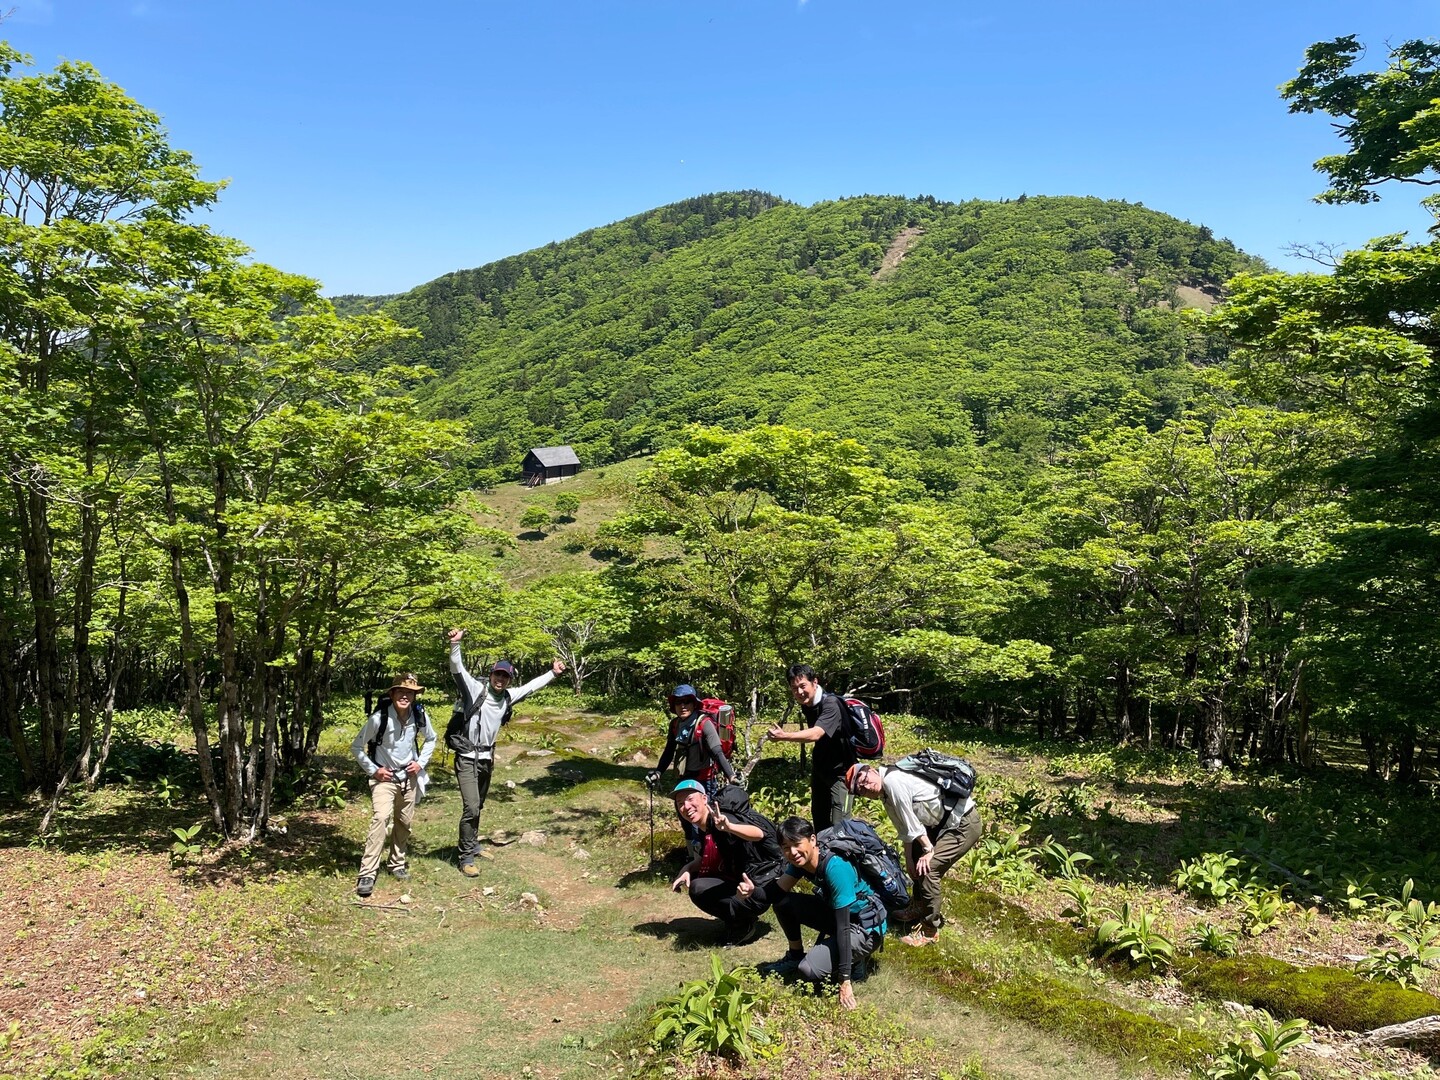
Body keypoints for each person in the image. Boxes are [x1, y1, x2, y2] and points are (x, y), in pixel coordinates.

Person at [447, 628, 566, 878]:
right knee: (471, 807)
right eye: (497, 674)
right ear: (491, 674)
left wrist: (553, 673)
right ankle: (465, 857)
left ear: (509, 680)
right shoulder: (475, 690)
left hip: (486, 759)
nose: (500, 679)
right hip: (467, 758)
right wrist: (455, 644)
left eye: (505, 676)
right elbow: (458, 669)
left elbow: (531, 687)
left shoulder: (508, 697)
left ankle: (473, 844)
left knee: (479, 805)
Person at [845, 761, 981, 946]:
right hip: (942, 824)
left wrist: (929, 850)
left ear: (872, 770)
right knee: (917, 858)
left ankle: (929, 929)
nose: (867, 787)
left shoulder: (893, 781)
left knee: (929, 869)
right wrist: (909, 858)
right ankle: (918, 906)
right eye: (861, 790)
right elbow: (905, 828)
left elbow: (912, 825)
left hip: (963, 824)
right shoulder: (885, 793)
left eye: (865, 780)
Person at [767, 816, 885, 1010]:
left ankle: (856, 962)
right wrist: (751, 892)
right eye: (786, 847)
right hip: (841, 916)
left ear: (812, 840)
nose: (792, 852)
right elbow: (776, 893)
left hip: (865, 928)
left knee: (807, 970)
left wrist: (844, 980)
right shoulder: (801, 862)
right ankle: (795, 955)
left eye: (796, 844)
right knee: (783, 903)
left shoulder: (836, 867)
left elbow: (843, 927)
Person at [668, 779, 785, 947]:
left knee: (698, 889)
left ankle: (742, 925)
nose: (686, 806)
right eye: (680, 803)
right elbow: (709, 855)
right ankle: (740, 919)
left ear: (704, 799)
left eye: (690, 799)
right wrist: (688, 868)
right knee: (699, 886)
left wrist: (730, 827)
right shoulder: (705, 826)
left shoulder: (721, 819)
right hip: (746, 880)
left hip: (760, 886)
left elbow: (759, 834)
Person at [351, 673, 438, 898]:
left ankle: (397, 863)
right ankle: (367, 873)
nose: (405, 696)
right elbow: (357, 747)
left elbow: (431, 738)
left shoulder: (419, 715)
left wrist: (420, 763)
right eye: (401, 691)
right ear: (392, 694)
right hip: (384, 778)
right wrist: (374, 770)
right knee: (381, 818)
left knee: (404, 821)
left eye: (410, 692)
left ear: (415, 696)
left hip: (409, 777)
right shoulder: (378, 719)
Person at [765, 664, 855, 829]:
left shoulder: (831, 704)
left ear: (815, 682)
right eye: (794, 688)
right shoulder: (808, 704)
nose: (799, 692)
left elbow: (816, 734)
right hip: (821, 769)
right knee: (819, 821)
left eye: (802, 686)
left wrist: (785, 736)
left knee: (841, 826)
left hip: (842, 774)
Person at [647, 684, 737, 849]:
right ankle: (692, 854)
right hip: (684, 779)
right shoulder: (675, 725)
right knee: (685, 817)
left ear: (694, 704)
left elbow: (717, 752)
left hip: (705, 779)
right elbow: (668, 751)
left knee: (705, 820)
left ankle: (709, 855)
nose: (682, 706)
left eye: (687, 702)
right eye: (678, 702)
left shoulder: (704, 724)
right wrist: (658, 772)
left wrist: (731, 775)